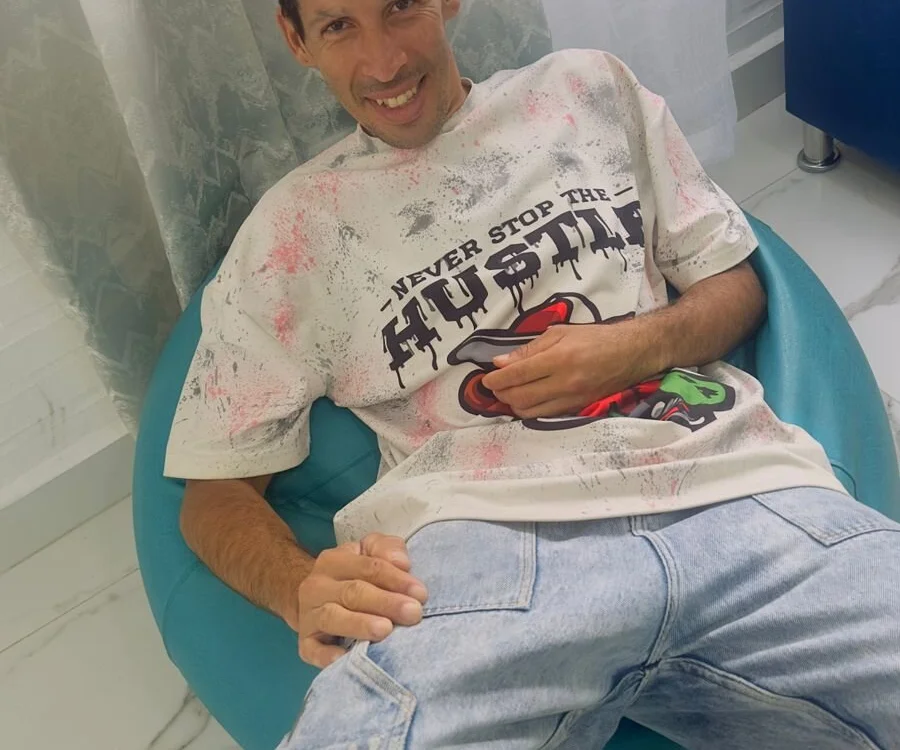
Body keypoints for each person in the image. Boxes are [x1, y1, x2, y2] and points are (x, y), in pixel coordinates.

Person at [163, 1, 900, 748]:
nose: (384, 63)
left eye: (401, 6)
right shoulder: (290, 233)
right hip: (483, 552)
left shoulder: (588, 89)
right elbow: (213, 493)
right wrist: (298, 590)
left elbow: (735, 284)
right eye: (338, 26)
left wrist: (630, 348)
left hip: (730, 488)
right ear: (297, 41)